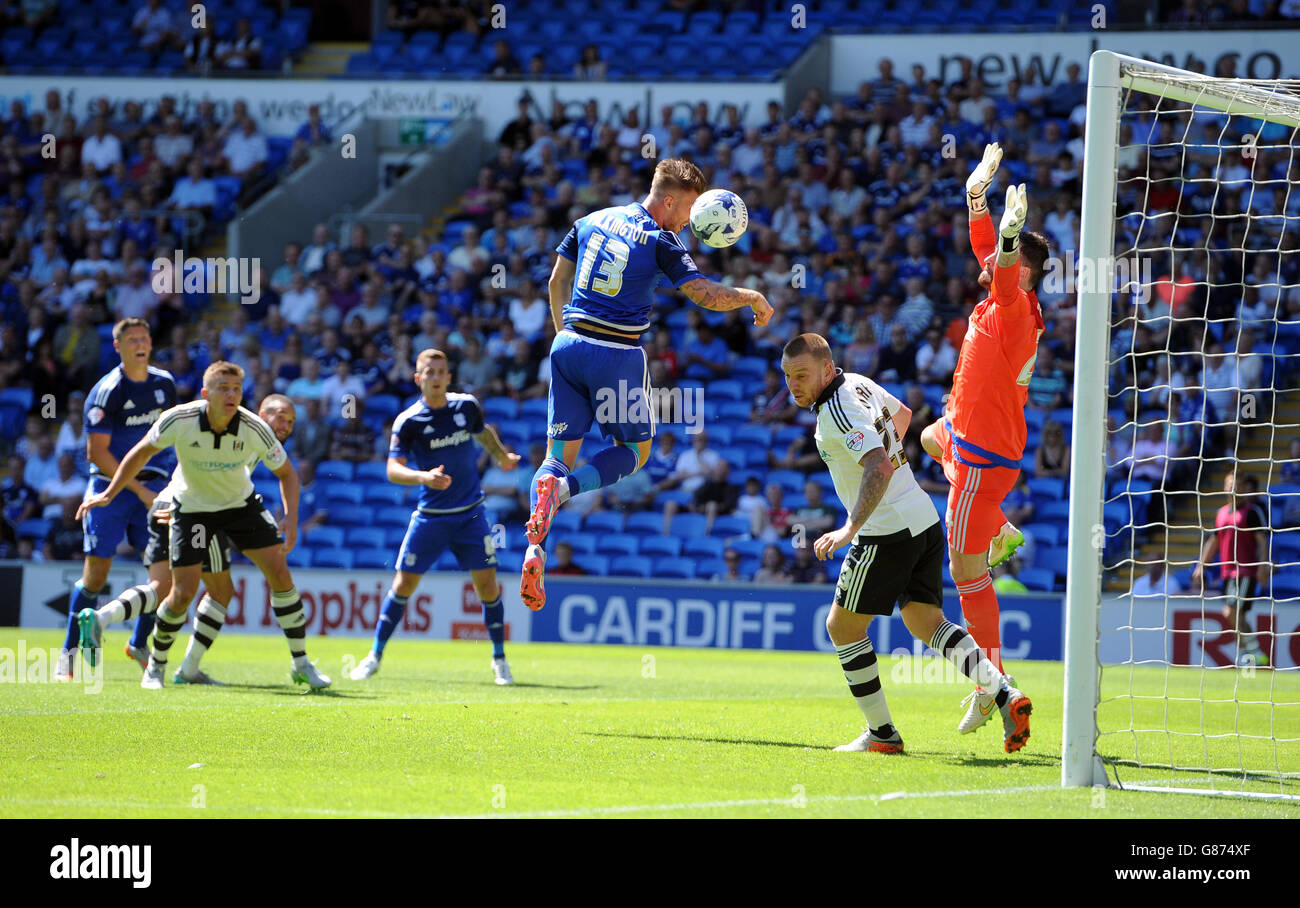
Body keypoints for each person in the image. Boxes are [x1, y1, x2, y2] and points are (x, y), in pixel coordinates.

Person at [520, 158, 773, 610]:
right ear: (670, 200)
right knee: (636, 452)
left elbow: (557, 279)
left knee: (557, 456)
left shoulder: (589, 219)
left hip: (567, 345)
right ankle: (564, 492)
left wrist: (563, 333)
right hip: (616, 354)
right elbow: (703, 295)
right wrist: (750, 296)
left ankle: (534, 545)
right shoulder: (663, 240)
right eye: (690, 208)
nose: (691, 220)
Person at [782, 332, 1030, 753]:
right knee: (925, 622)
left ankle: (882, 735)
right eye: (788, 376)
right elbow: (903, 416)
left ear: (827, 369)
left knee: (841, 627)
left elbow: (877, 463)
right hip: (921, 513)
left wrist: (848, 529)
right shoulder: (859, 382)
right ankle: (1004, 693)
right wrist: (893, 461)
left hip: (886, 531)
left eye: (802, 374)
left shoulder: (837, 412)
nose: (794, 384)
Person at [77, 362, 331, 690]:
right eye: (279, 415)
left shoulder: (256, 433)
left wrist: (291, 519)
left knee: (269, 577)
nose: (285, 424)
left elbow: (286, 475)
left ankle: (300, 664)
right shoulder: (182, 419)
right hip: (189, 510)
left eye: (236, 389)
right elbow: (140, 454)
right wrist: (110, 494)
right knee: (182, 592)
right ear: (206, 393)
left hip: (237, 508)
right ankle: (159, 662)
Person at [919, 143, 1051, 731]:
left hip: (982, 455)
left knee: (964, 572)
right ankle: (1000, 527)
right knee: (926, 437)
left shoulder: (1017, 309)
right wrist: (976, 195)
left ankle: (988, 679)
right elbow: (986, 251)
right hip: (964, 436)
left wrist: (1008, 239)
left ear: (1020, 271)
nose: (989, 258)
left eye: (1004, 254)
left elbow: (998, 267)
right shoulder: (1006, 297)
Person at [350, 349, 522, 684]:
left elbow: (481, 431)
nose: (436, 377)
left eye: (441, 371)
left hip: (471, 515)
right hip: (431, 516)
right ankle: (374, 656)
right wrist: (423, 476)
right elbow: (392, 469)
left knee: (487, 585)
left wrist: (500, 457)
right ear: (418, 378)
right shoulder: (409, 421)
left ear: (448, 376)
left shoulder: (466, 406)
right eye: (429, 372)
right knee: (403, 584)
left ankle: (500, 659)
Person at [58, 318, 177, 680]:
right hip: (110, 491)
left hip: (154, 489)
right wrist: (140, 492)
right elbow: (97, 453)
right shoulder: (106, 391)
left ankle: (139, 644)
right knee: (95, 579)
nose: (140, 344)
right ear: (118, 347)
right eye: (132, 340)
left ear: (151, 343)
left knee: (165, 582)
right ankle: (69, 656)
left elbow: (172, 435)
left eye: (144, 338)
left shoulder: (165, 385)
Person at [1192, 471, 1270, 666]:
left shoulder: (1252, 512)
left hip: (1246, 571)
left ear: (1243, 489)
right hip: (1227, 572)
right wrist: (1201, 565)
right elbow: (1214, 541)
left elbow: (1262, 542)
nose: (1232, 488)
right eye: (1229, 484)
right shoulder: (1221, 513)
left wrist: (1263, 566)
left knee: (1230, 613)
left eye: (1237, 485)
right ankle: (1248, 660)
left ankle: (1253, 652)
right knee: (1238, 616)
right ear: (1224, 487)